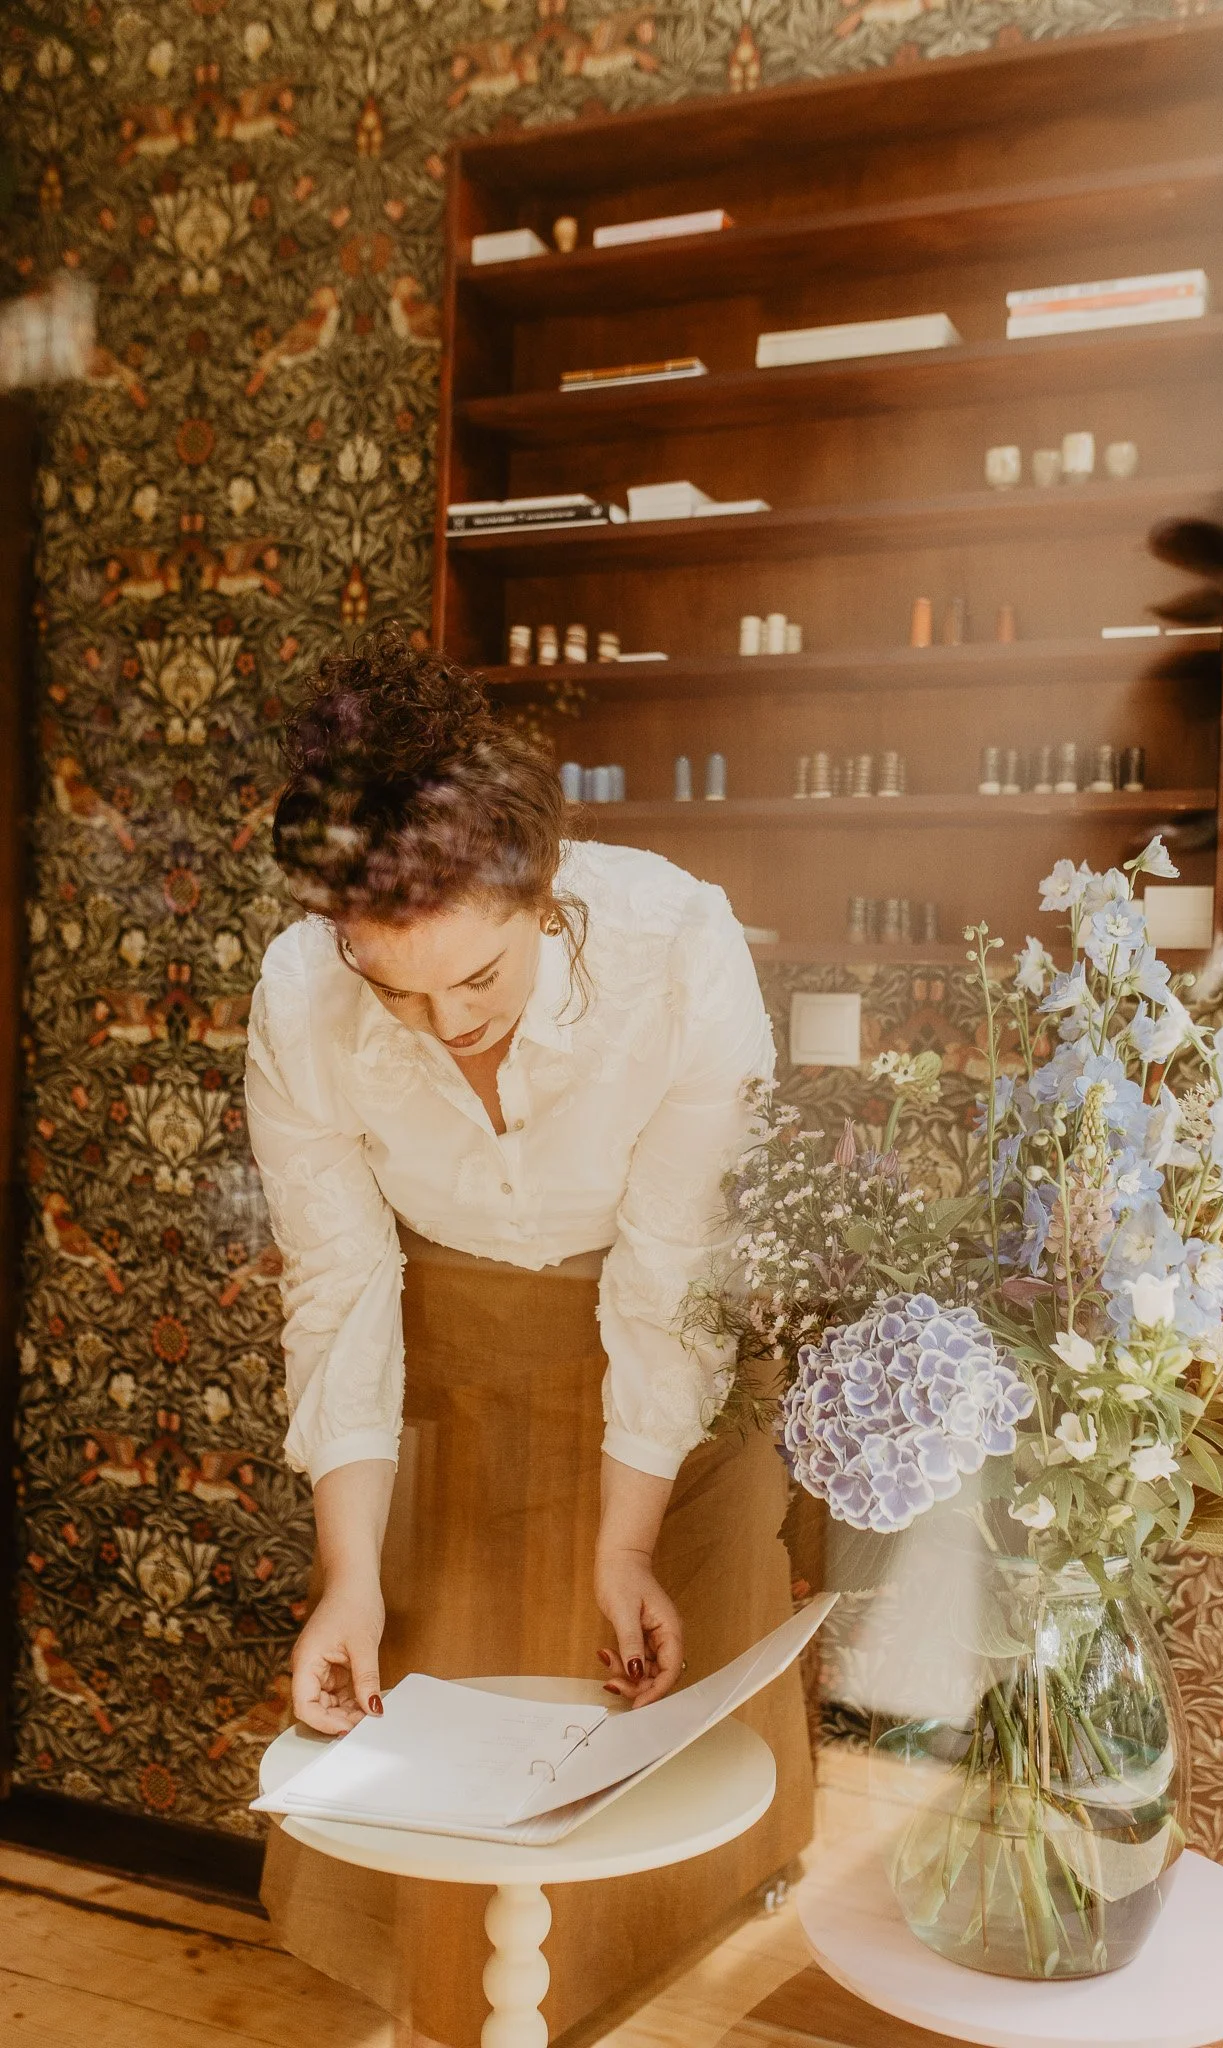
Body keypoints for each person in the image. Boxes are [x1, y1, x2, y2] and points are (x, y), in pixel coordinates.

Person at [245, 629, 813, 2047]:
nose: (442, 1030)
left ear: (541, 888)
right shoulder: (297, 998)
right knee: (461, 1857)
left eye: (480, 981)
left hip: (661, 1393)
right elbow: (340, 1284)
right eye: (394, 991)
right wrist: (348, 1572)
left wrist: (624, 1545)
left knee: (659, 1837)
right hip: (456, 1379)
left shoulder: (680, 950)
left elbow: (669, 1270)